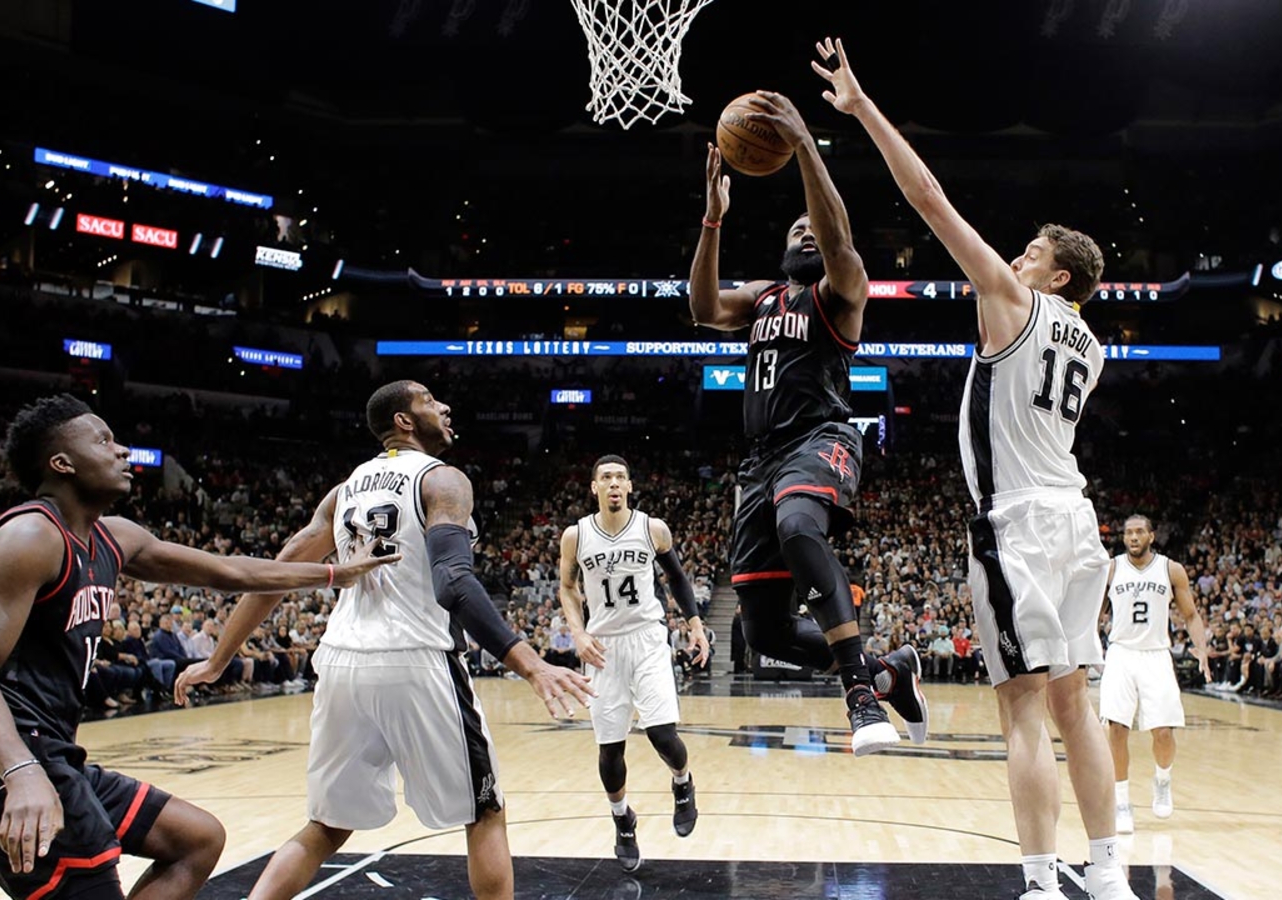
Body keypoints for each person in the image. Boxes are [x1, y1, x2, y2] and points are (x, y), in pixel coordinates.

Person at [813, 37, 1133, 899]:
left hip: (1019, 524)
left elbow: (928, 197)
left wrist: (862, 109)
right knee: (1078, 706)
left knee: (1023, 708)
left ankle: (1037, 882)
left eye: (1030, 252)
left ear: (1056, 274)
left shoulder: (1016, 300)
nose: (1016, 256)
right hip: (1077, 520)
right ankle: (1107, 878)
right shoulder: (1093, 344)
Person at [0, 395, 396, 900]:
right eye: (103, 440)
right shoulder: (31, 535)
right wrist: (21, 774)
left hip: (48, 745)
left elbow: (231, 572)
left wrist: (332, 573)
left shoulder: (115, 537)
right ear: (62, 463)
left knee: (196, 841)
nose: (122, 450)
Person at [175, 380, 593, 900]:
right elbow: (455, 582)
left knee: (325, 827)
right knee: (486, 813)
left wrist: (219, 659)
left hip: (343, 665)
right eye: (428, 401)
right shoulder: (443, 481)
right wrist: (532, 665)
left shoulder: (345, 488)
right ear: (404, 421)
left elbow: (278, 572)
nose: (444, 406)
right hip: (418, 661)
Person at [688, 90, 926, 756]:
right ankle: (889, 672)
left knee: (799, 524)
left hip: (820, 438)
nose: (805, 232)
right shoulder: (762, 299)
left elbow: (840, 238)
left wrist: (803, 152)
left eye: (813, 229)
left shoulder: (839, 292)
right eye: (795, 229)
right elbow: (703, 306)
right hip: (759, 460)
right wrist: (712, 221)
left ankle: (858, 694)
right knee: (763, 632)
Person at [557, 455, 710, 872]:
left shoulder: (651, 528)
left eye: (620, 477)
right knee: (610, 748)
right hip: (603, 646)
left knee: (662, 734)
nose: (613, 484)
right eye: (605, 477)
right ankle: (623, 819)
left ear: (629, 486)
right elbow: (567, 588)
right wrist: (579, 632)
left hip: (647, 640)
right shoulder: (576, 536)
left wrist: (695, 625)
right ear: (594, 488)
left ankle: (683, 783)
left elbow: (677, 579)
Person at [1098, 515, 1210, 834]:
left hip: (1156, 653)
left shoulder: (1171, 569)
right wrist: (1087, 652)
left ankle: (1162, 780)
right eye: (1128, 532)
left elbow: (1190, 615)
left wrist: (1201, 648)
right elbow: (1096, 614)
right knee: (1116, 729)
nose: (1133, 537)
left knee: (1163, 732)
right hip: (1120, 652)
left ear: (1151, 535)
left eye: (1138, 532)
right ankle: (1122, 802)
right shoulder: (1112, 568)